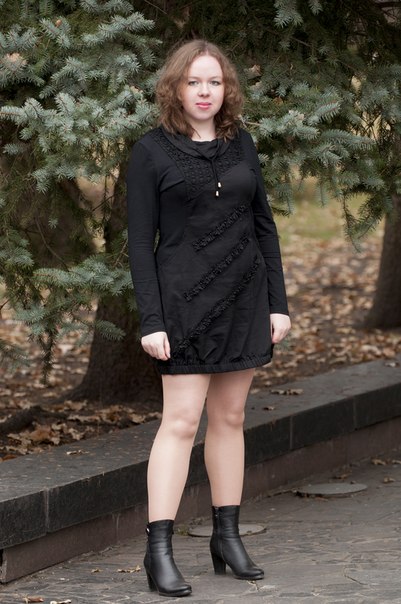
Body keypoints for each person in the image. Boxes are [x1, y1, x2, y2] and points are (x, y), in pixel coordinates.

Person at [126, 39, 291, 598]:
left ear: (227, 89)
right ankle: (159, 550)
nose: (204, 92)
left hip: (245, 297)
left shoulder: (241, 142)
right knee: (180, 422)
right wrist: (152, 320)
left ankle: (227, 537)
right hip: (182, 305)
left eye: (214, 82)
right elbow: (140, 245)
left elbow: (264, 225)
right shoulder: (150, 152)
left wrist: (277, 303)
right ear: (175, 88)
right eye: (194, 82)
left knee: (231, 416)